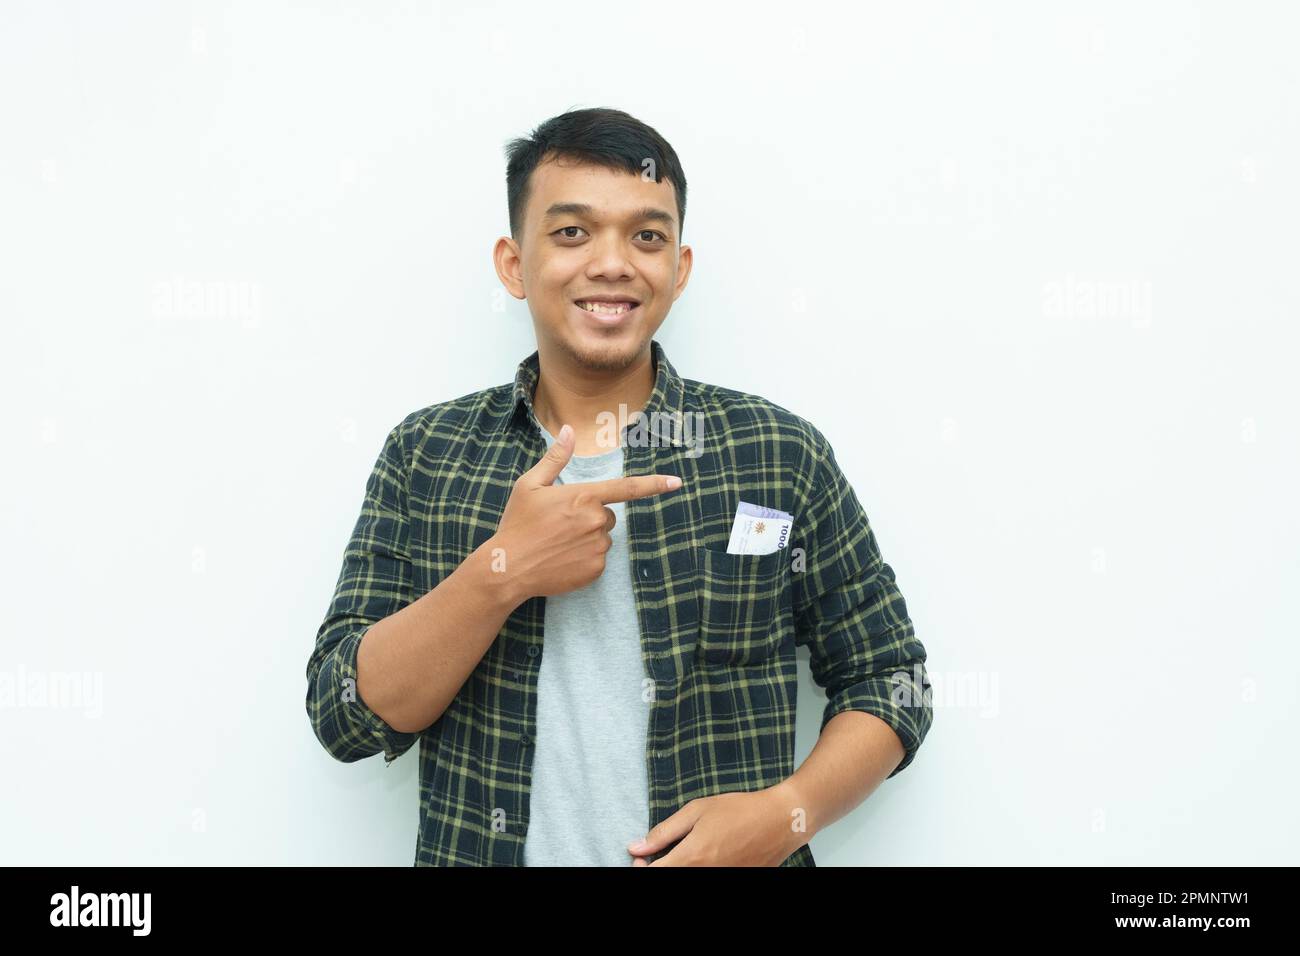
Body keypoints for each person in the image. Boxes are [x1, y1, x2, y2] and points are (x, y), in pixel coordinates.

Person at [306, 106, 932, 866]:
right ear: (513, 262)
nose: (612, 263)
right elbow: (345, 715)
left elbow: (892, 680)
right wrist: (500, 572)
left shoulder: (776, 452)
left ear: (679, 267)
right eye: (571, 232)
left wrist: (786, 817)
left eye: (647, 236)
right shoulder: (426, 453)